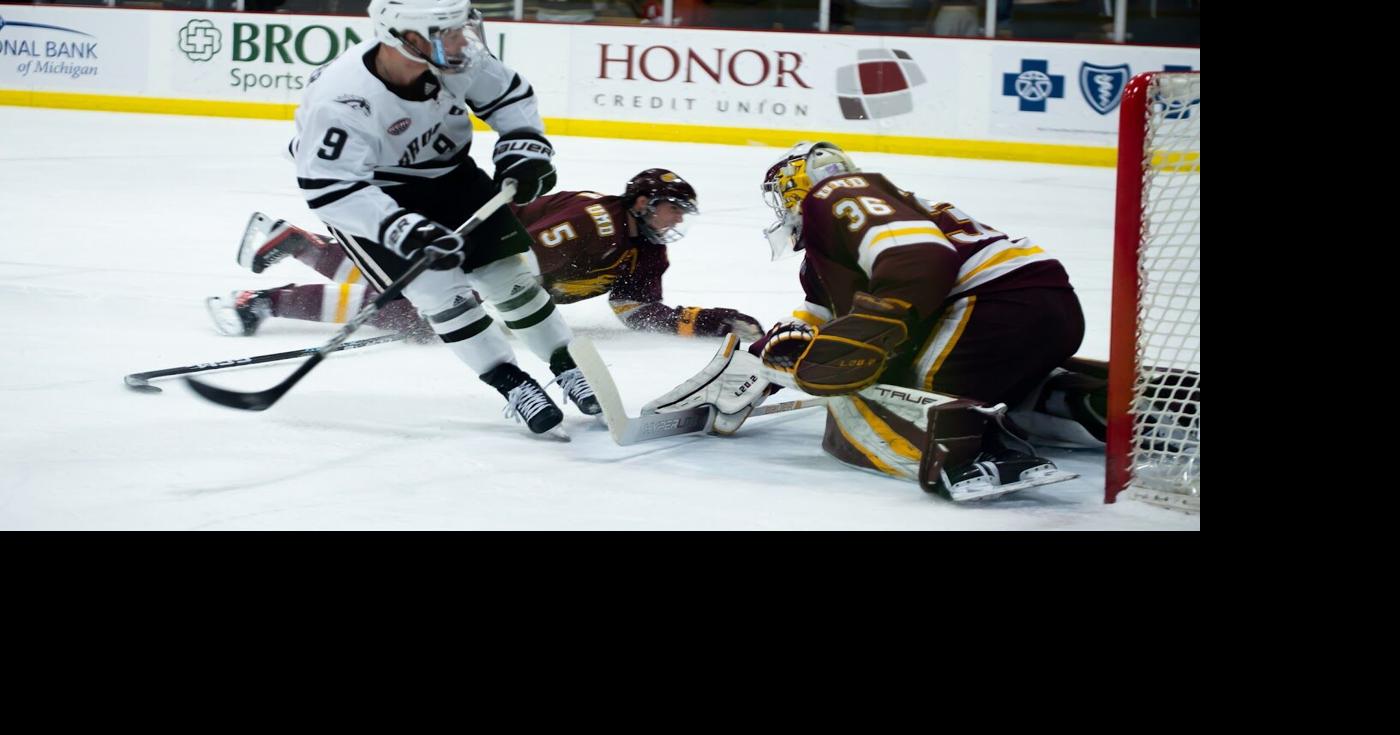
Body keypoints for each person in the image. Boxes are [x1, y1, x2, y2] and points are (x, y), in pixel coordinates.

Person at [646, 141, 1105, 501]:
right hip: (1043, 311)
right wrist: (757, 365)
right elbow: (816, 319)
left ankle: (973, 456)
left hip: (990, 307)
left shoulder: (836, 195)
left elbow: (919, 258)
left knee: (864, 396)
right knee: (994, 394)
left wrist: (873, 326)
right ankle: (1093, 403)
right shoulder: (843, 241)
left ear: (797, 185)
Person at [261, 0, 591, 435]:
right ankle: (511, 382)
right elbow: (330, 189)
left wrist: (523, 148)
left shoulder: (453, 59)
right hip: (373, 196)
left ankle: (568, 364)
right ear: (404, 38)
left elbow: (509, 95)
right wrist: (403, 229)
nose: (461, 41)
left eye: (460, 29)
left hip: (451, 176)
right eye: (447, 32)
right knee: (442, 295)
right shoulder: (342, 100)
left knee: (508, 279)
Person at [208, 168, 765, 344]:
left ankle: (292, 243)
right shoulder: (596, 223)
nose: (675, 221)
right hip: (470, 247)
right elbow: (522, 251)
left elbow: (636, 311)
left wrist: (705, 321)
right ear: (642, 202)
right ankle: (260, 301)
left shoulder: (643, 250)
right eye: (670, 209)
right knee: (405, 310)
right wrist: (468, 296)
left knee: (392, 287)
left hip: (481, 261)